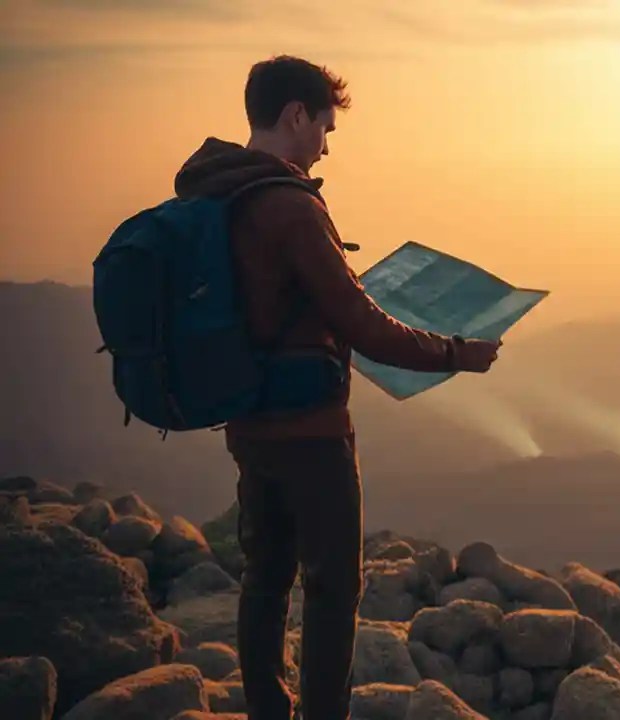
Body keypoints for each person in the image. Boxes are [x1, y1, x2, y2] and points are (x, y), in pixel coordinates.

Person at [172, 55, 501, 720]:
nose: (326, 144)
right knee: (331, 588)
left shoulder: (216, 193)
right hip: (312, 432)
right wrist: (457, 354)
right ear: (296, 115)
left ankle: (268, 710)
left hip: (247, 422)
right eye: (325, 127)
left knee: (264, 579)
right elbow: (361, 324)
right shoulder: (291, 205)